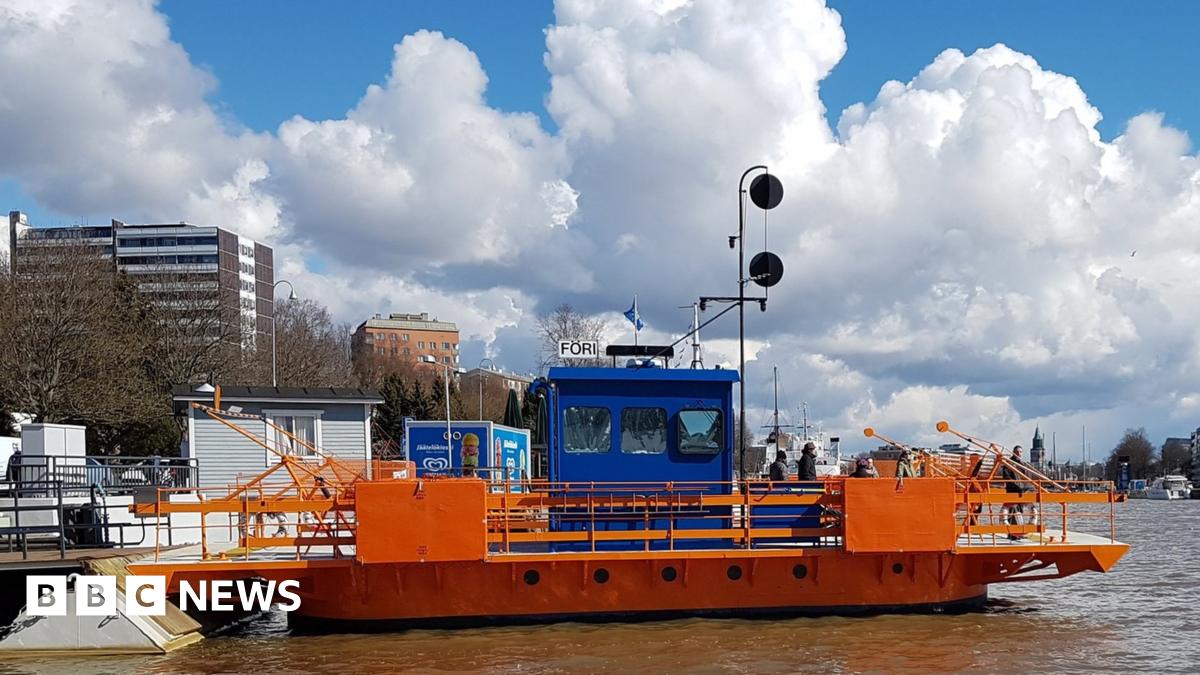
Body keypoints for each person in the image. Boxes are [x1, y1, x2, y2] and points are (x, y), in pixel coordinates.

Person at [999, 445, 1029, 540]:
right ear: (1013, 452)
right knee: (1012, 511)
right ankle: (1012, 534)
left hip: (1020, 491)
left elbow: (1025, 477)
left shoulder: (1021, 464)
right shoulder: (1008, 463)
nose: (1019, 454)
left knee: (1019, 511)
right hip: (1012, 491)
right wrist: (1017, 487)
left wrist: (1024, 487)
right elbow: (1007, 478)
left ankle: (1018, 532)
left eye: (1020, 452)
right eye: (1017, 452)